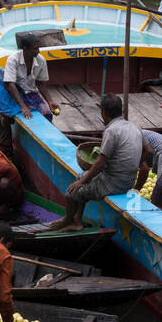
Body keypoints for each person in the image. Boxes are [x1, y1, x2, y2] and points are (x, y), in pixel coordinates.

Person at [52, 94, 142, 232]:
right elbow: (148, 150)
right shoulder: (135, 127)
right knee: (81, 176)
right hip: (128, 180)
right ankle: (77, 220)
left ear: (104, 113)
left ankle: (68, 220)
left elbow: (100, 162)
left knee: (71, 193)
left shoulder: (111, 130)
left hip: (114, 183)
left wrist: (82, 182)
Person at [2, 30, 58, 119]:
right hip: (14, 92)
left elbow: (40, 83)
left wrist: (50, 101)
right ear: (25, 48)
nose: (38, 51)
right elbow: (10, 85)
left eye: (38, 48)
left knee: (47, 113)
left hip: (30, 92)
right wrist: (23, 106)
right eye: (35, 48)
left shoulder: (41, 60)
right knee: (26, 116)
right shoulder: (13, 59)